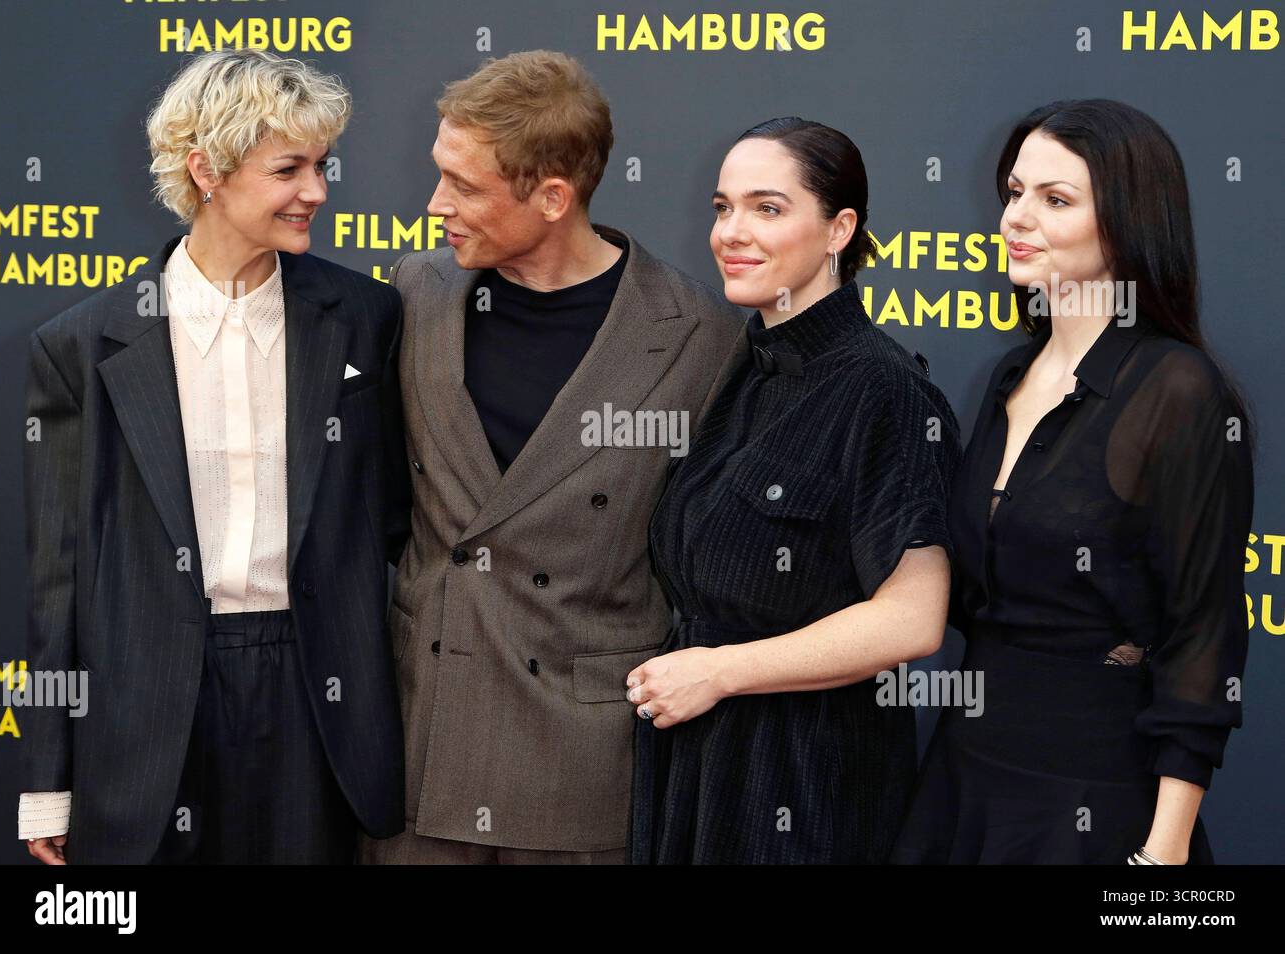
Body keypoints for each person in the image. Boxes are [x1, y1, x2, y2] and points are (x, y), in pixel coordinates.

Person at [19, 49, 409, 864]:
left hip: (319, 701)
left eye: (322, 165)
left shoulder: (367, 317)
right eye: (289, 168)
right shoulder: (81, 347)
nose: (318, 192)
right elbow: (59, 577)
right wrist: (47, 783)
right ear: (206, 169)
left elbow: (393, 526)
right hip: (150, 713)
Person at [356, 51, 745, 864]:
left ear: (552, 197)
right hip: (422, 739)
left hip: (580, 768)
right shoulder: (416, 293)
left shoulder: (699, 337)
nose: (435, 206)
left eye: (464, 187)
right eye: (440, 176)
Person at [890, 99, 1254, 865]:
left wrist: (1162, 856)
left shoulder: (1177, 392)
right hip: (965, 778)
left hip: (1100, 801)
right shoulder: (1010, 376)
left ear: (1127, 222)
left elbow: (1204, 636)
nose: (1017, 218)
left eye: (1056, 200)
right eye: (1015, 192)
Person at [626, 117, 963, 864]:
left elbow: (912, 622)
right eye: (722, 207)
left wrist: (719, 671)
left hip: (808, 778)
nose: (732, 232)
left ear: (839, 229)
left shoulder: (886, 391)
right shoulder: (744, 365)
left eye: (767, 208)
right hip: (698, 761)